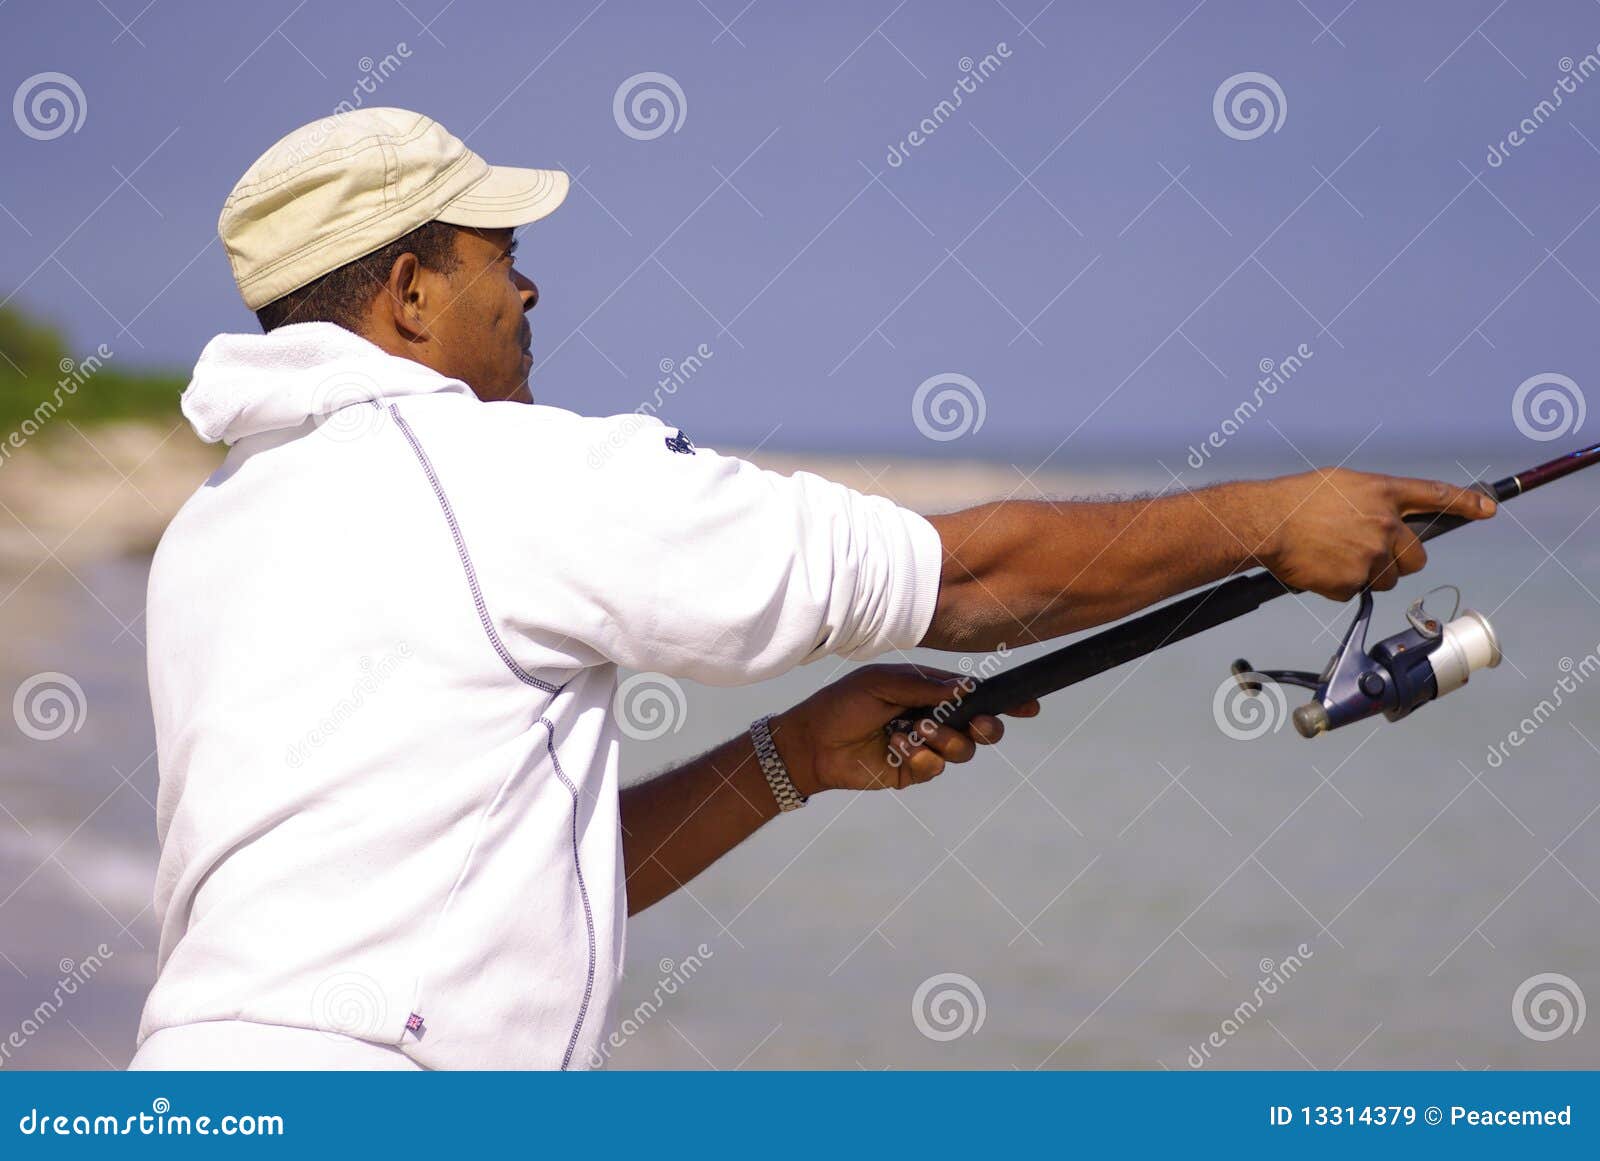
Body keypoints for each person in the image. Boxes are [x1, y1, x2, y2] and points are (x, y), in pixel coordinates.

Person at [129, 108, 1494, 1071]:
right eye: (498, 256)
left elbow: (510, 878)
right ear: (413, 294)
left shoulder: (214, 530)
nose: (531, 283)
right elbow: (964, 579)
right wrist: (1273, 517)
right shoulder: (502, 472)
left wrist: (788, 759)